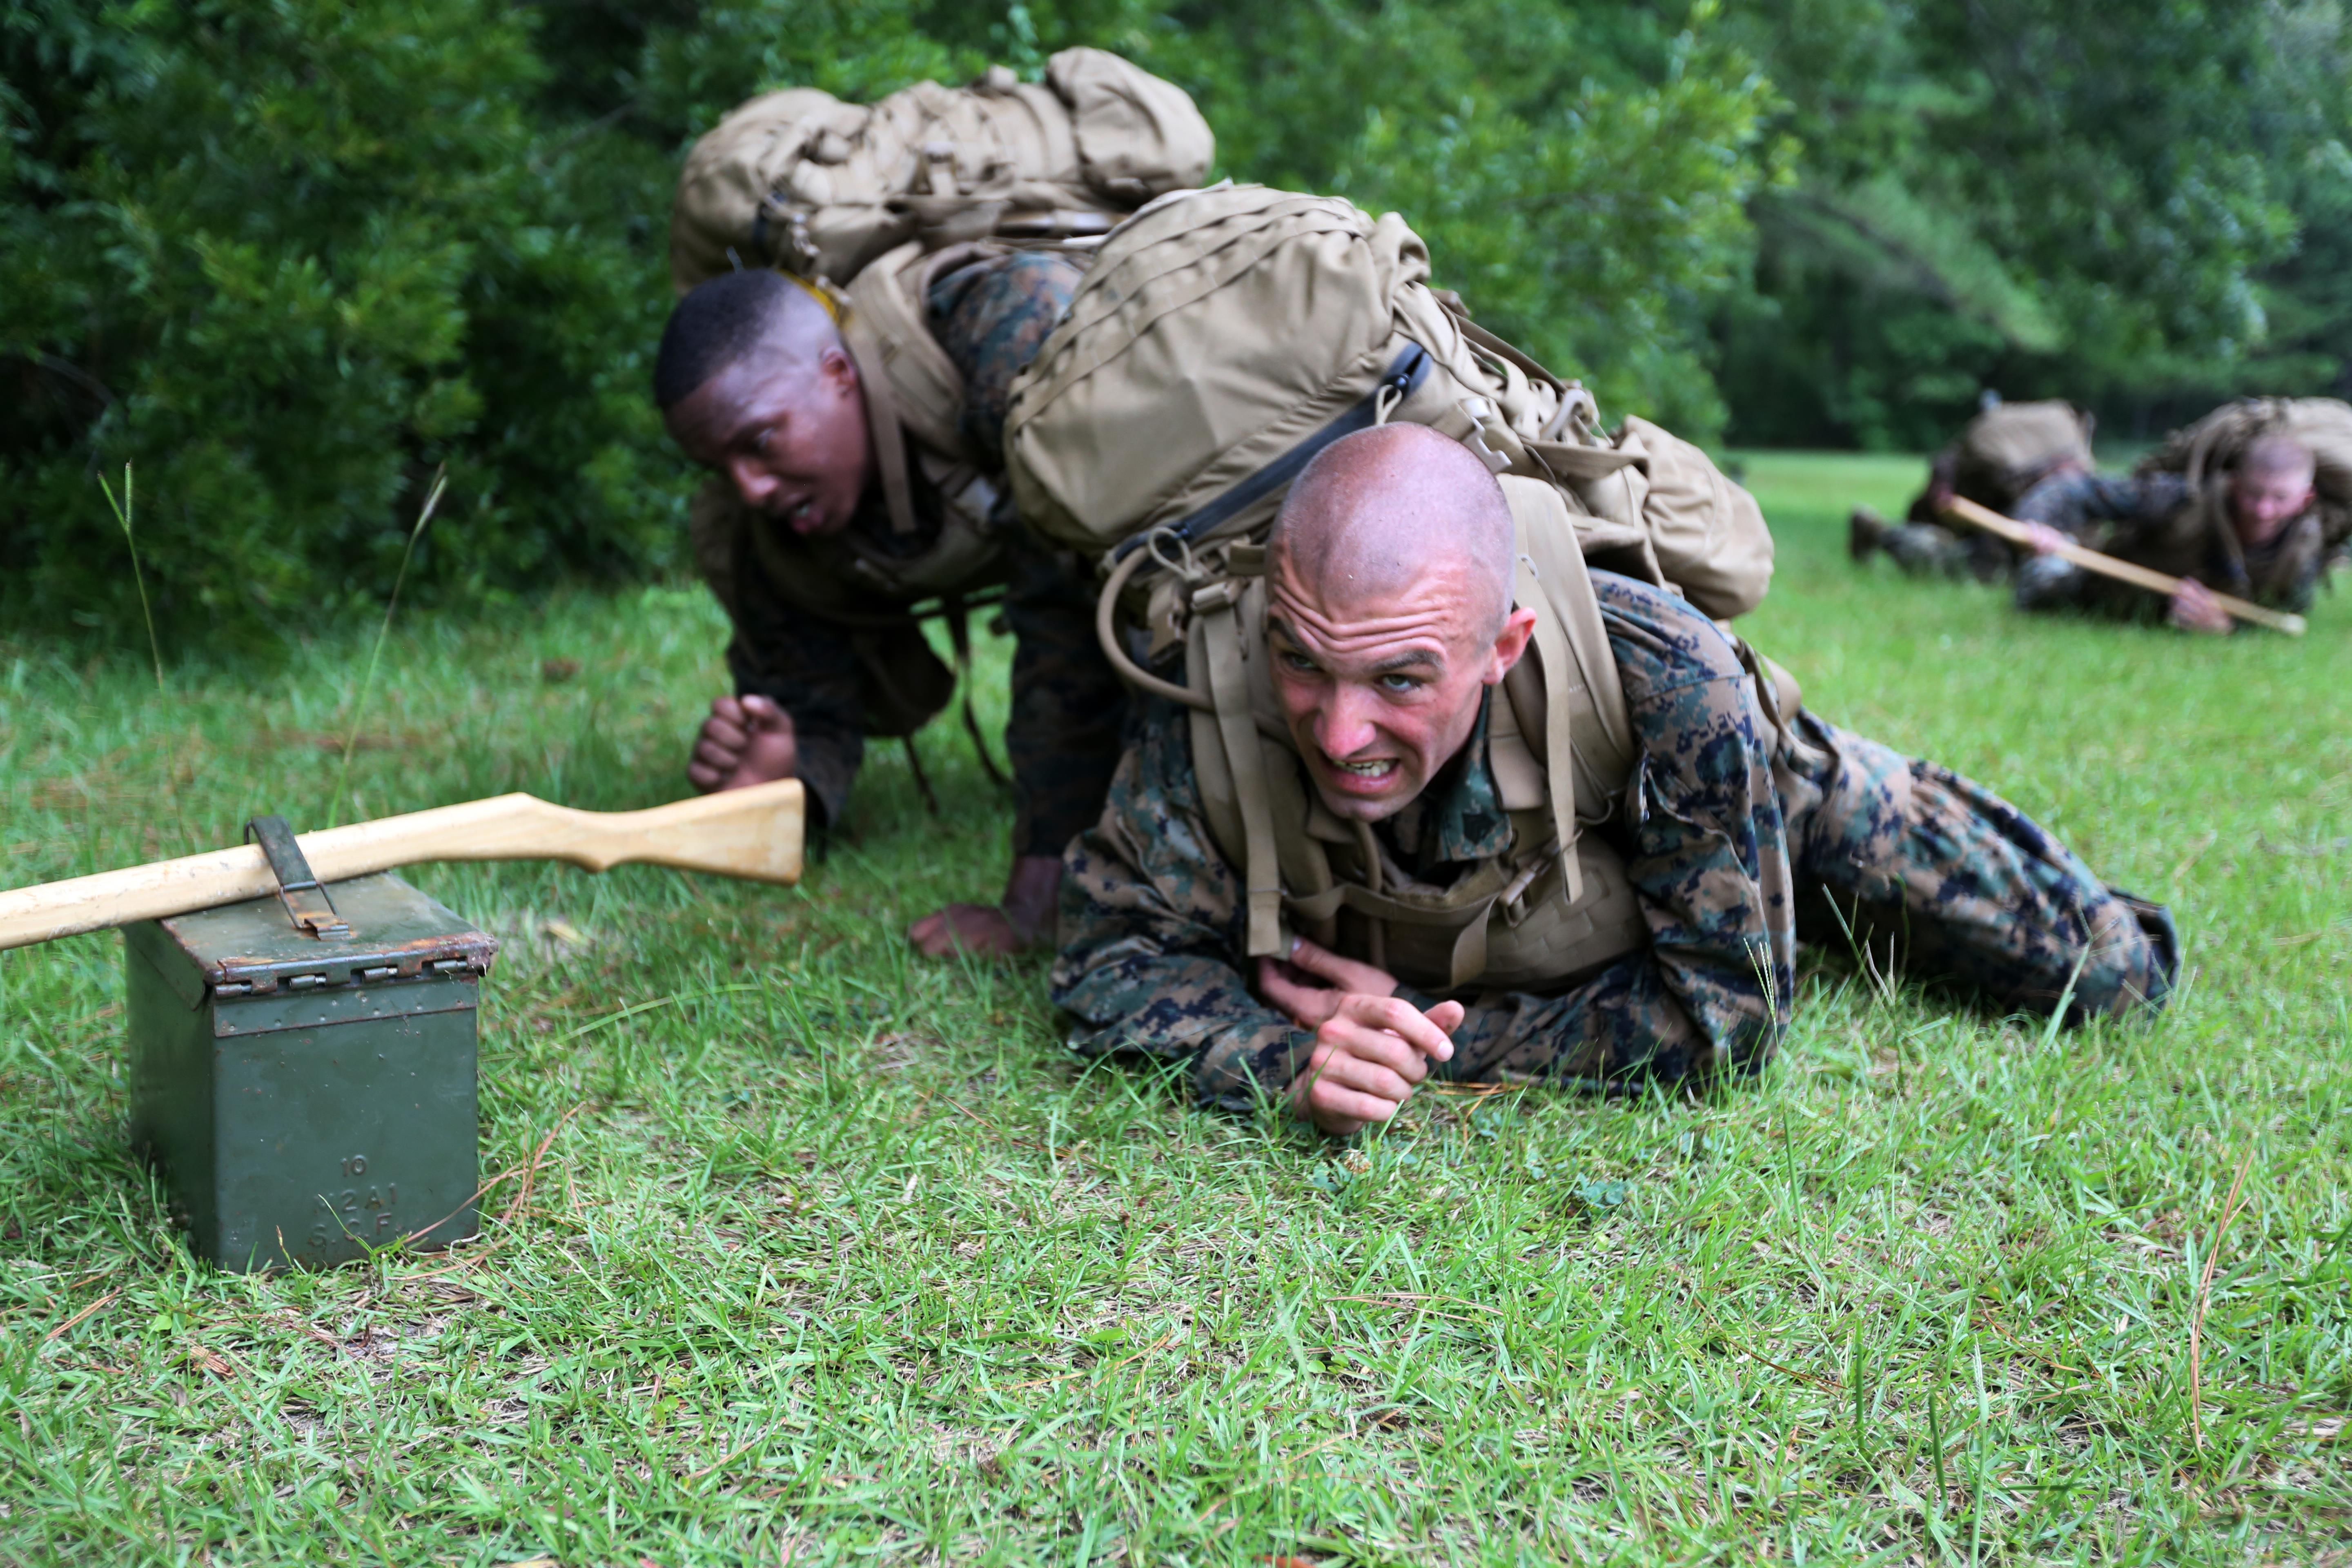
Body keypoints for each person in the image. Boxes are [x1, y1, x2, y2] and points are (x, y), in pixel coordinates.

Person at [1052, 425, 2175, 1134]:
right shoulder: (1218, 675)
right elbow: (1106, 959)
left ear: (1501, 646)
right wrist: (1290, 1060)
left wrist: (1422, 1039)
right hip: (1568, 866)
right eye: (1304, 662)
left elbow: (1725, 1020)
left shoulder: (1668, 678)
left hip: (1759, 793)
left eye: (1399, 678)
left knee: (2112, 973)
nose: (1340, 733)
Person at [654, 255, 1128, 953]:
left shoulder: (1014, 331)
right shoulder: (757, 524)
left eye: (760, 442)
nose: (750, 488)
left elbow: (1071, 617)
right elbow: (805, 695)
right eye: (720, 467)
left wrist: (1037, 896)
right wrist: (783, 785)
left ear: (838, 375)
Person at [2008, 433, 2328, 633]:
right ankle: (2063, 554)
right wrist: (2036, 525)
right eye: (2254, 494)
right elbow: (2074, 491)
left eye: (2280, 498)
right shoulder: (2179, 499)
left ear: (2306, 499)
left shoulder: (2303, 548)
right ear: (2235, 483)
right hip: (2093, 594)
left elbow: (2281, 615)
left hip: (2158, 620)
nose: (2263, 511)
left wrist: (2227, 627)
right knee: (2041, 593)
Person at [1850, 398, 2094, 581]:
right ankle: (1882, 534)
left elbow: (1953, 455)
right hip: (2004, 503)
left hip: (1970, 482)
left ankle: (1882, 533)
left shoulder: (2040, 416)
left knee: (1957, 548)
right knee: (1964, 563)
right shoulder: (2072, 447)